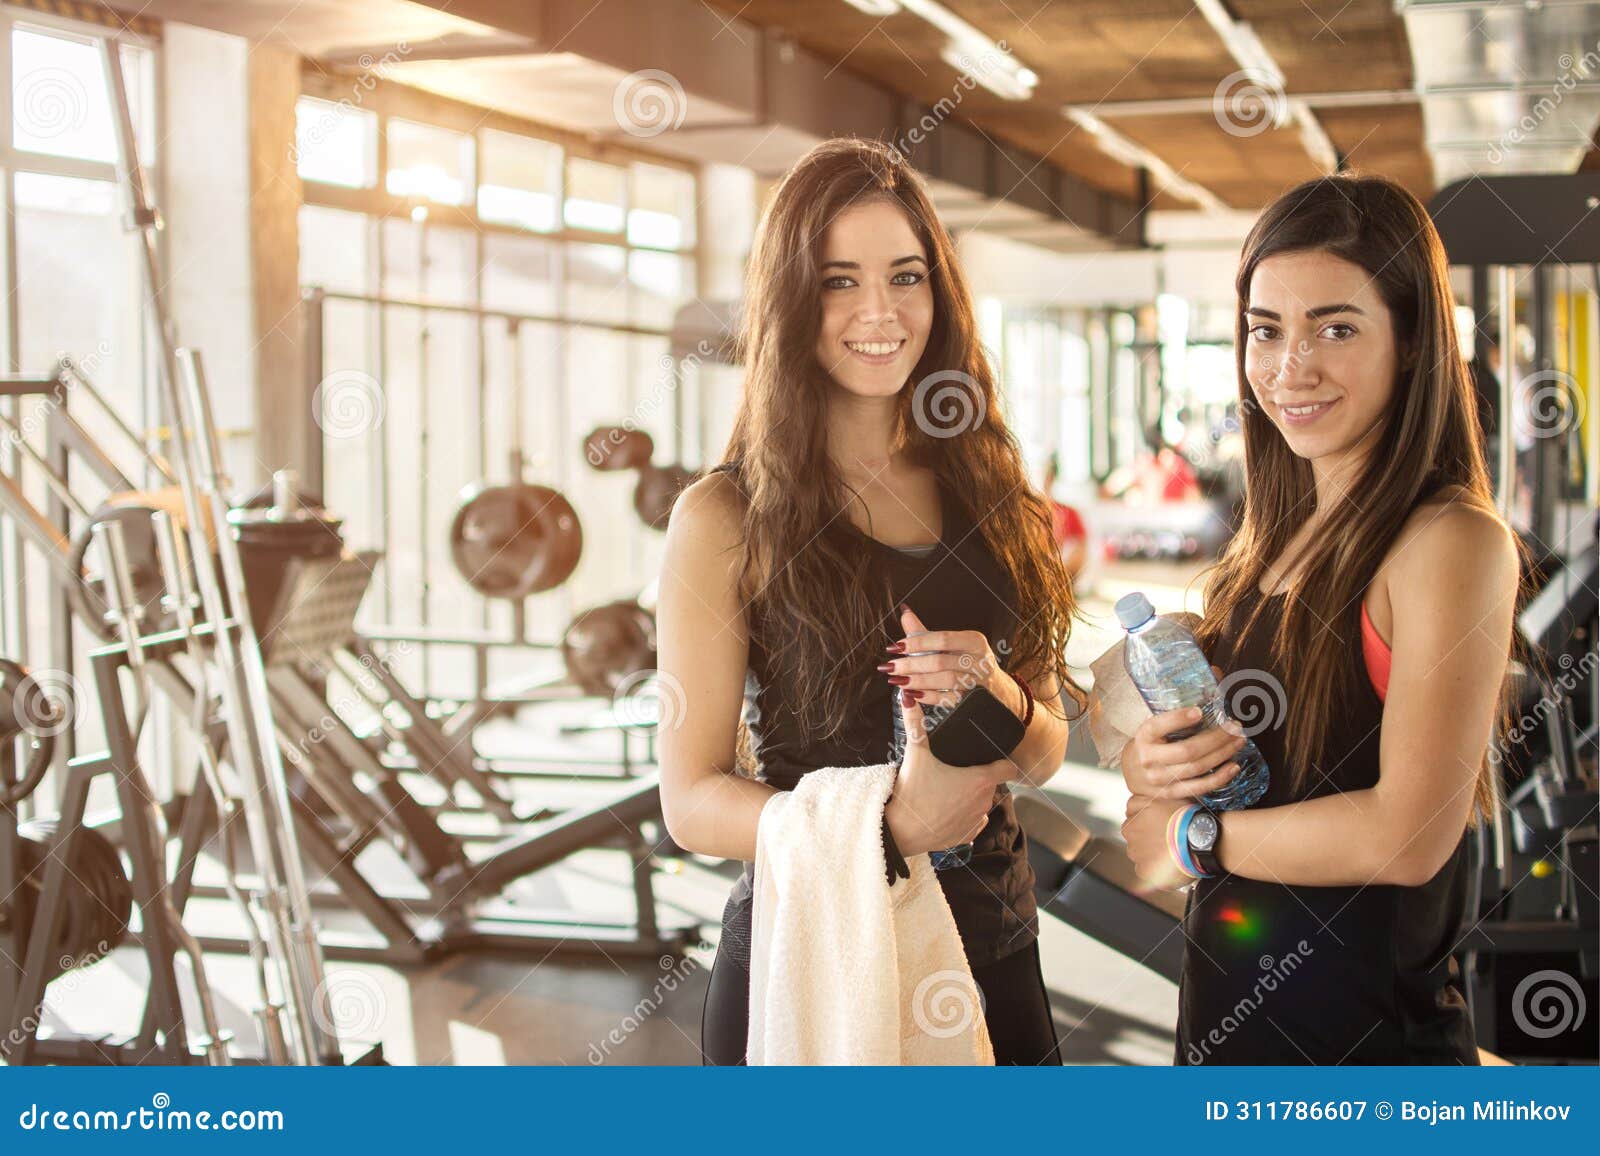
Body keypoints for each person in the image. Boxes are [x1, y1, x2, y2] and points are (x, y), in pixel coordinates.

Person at [656, 137, 1083, 1066]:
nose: (880, 312)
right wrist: (894, 826)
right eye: (840, 281)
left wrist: (1001, 700)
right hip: (806, 949)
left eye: (906, 276)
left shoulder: (997, 494)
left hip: (989, 944)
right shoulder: (727, 515)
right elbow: (689, 802)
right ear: (789, 300)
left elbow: (1045, 749)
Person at [1115, 173, 1523, 1064]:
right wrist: (1154, 763)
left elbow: (1409, 836)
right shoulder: (1272, 542)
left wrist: (1197, 839)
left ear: (1412, 340)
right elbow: (1245, 768)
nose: (1291, 367)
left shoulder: (1448, 541)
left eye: (1335, 327)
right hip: (1228, 1036)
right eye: (1267, 330)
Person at [1041, 452, 1088, 581]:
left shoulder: (1068, 512)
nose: (1045, 479)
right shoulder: (1024, 510)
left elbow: (1081, 546)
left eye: (1048, 475)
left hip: (1060, 572)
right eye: (1043, 474)